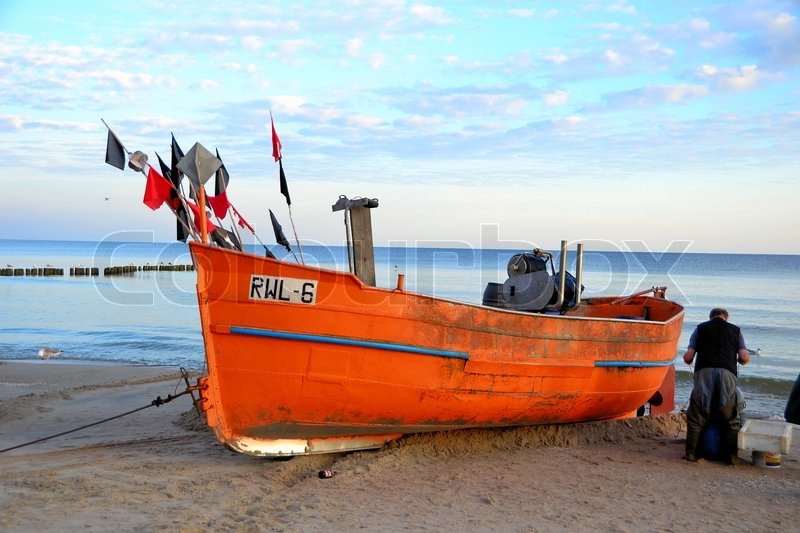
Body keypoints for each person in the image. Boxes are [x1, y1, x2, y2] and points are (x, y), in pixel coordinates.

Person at [682, 308, 750, 464]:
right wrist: (740, 361)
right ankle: (732, 458)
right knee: (731, 417)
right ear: (726, 317)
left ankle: (691, 455)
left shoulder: (700, 328)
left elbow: (688, 357)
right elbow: (744, 357)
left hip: (704, 372)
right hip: (727, 373)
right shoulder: (736, 331)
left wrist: (690, 359)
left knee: (697, 415)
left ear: (710, 317)